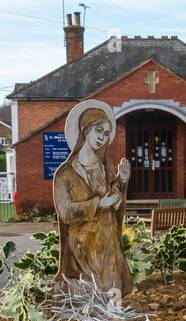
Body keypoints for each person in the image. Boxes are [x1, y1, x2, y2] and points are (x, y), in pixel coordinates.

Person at [53, 106, 133, 298]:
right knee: (89, 293)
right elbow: (64, 211)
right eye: (98, 130)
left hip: (108, 241)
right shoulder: (65, 173)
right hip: (82, 245)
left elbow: (114, 201)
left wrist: (121, 180)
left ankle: (113, 314)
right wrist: (97, 204)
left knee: (112, 295)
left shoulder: (105, 166)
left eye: (106, 134)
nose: (102, 138)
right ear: (85, 129)